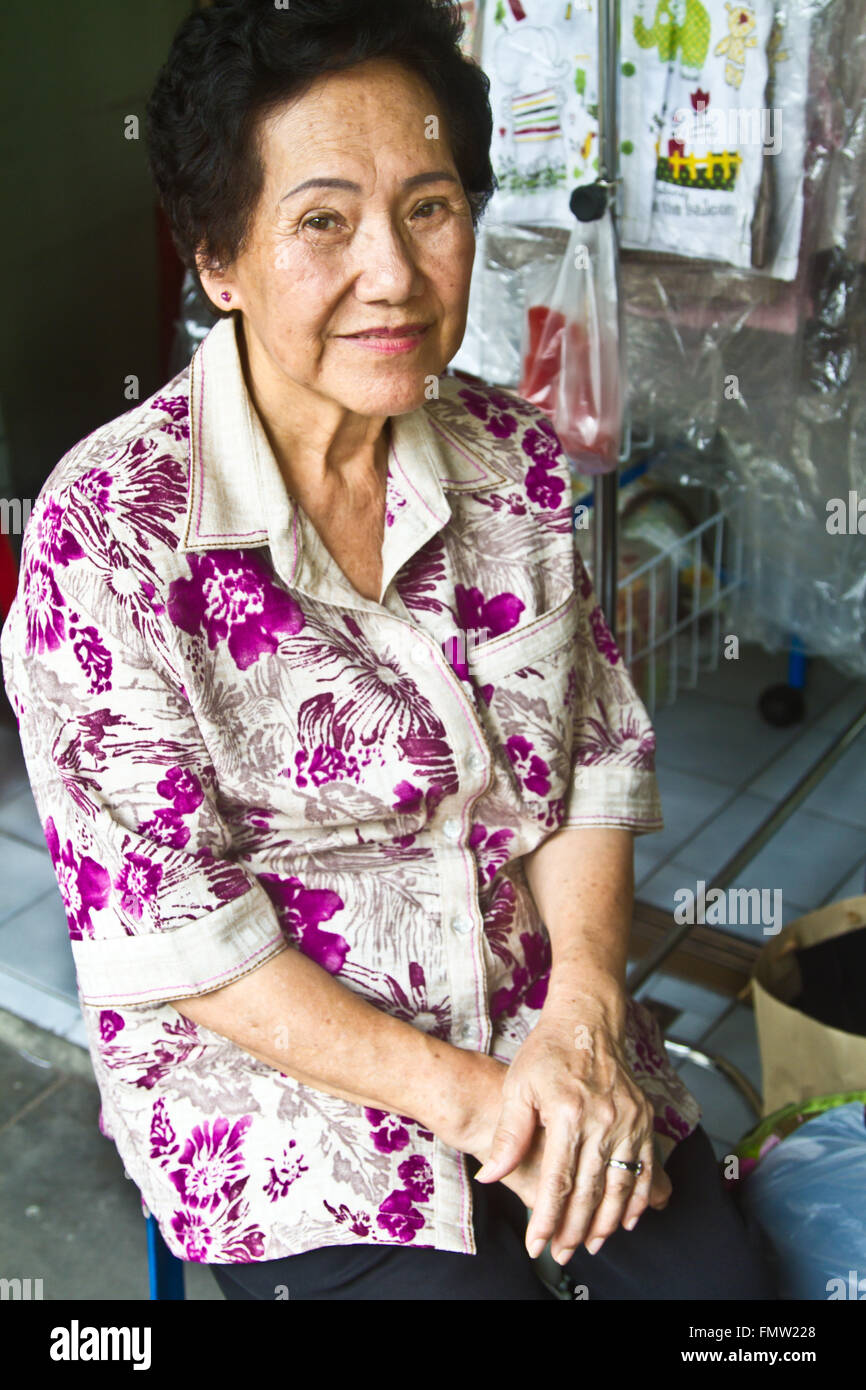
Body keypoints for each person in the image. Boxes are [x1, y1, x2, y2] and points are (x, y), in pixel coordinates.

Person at [0, 0, 775, 1300]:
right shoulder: (112, 534)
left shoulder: (505, 453)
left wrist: (583, 1018)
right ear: (217, 257)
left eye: (427, 206)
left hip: (543, 1036)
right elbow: (178, 931)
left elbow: (580, 758)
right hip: (291, 1108)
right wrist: (482, 1112)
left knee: (729, 1311)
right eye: (321, 221)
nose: (394, 275)